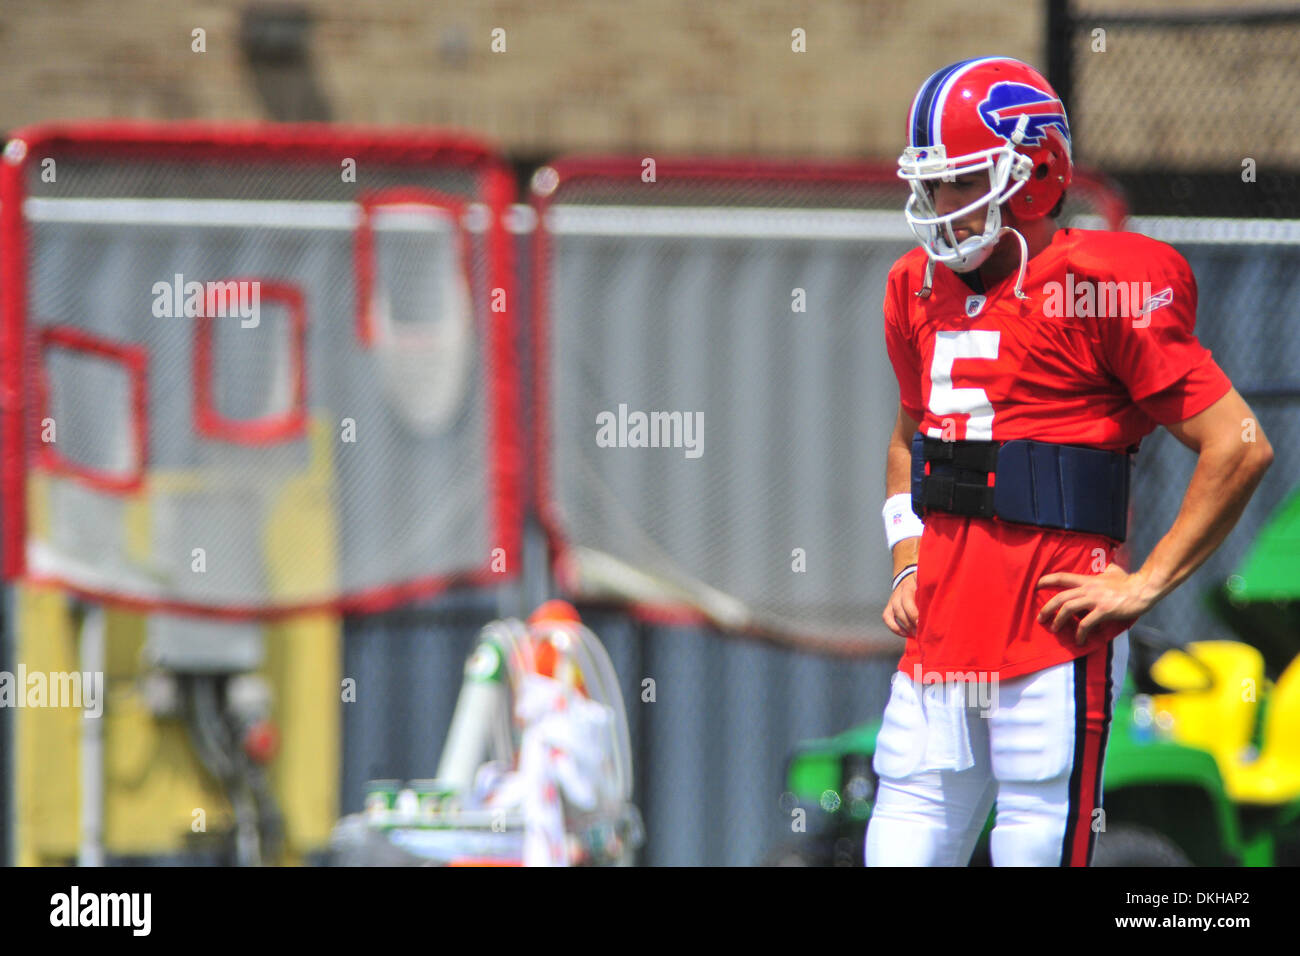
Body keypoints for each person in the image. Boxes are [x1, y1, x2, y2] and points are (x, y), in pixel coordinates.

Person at [867, 56, 1273, 866]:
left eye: (963, 181)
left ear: (1034, 175)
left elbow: (1239, 443)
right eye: (933, 183)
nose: (939, 207)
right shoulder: (915, 285)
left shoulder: (1107, 283)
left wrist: (1146, 582)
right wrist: (906, 560)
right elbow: (912, 439)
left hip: (1050, 635)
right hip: (938, 642)